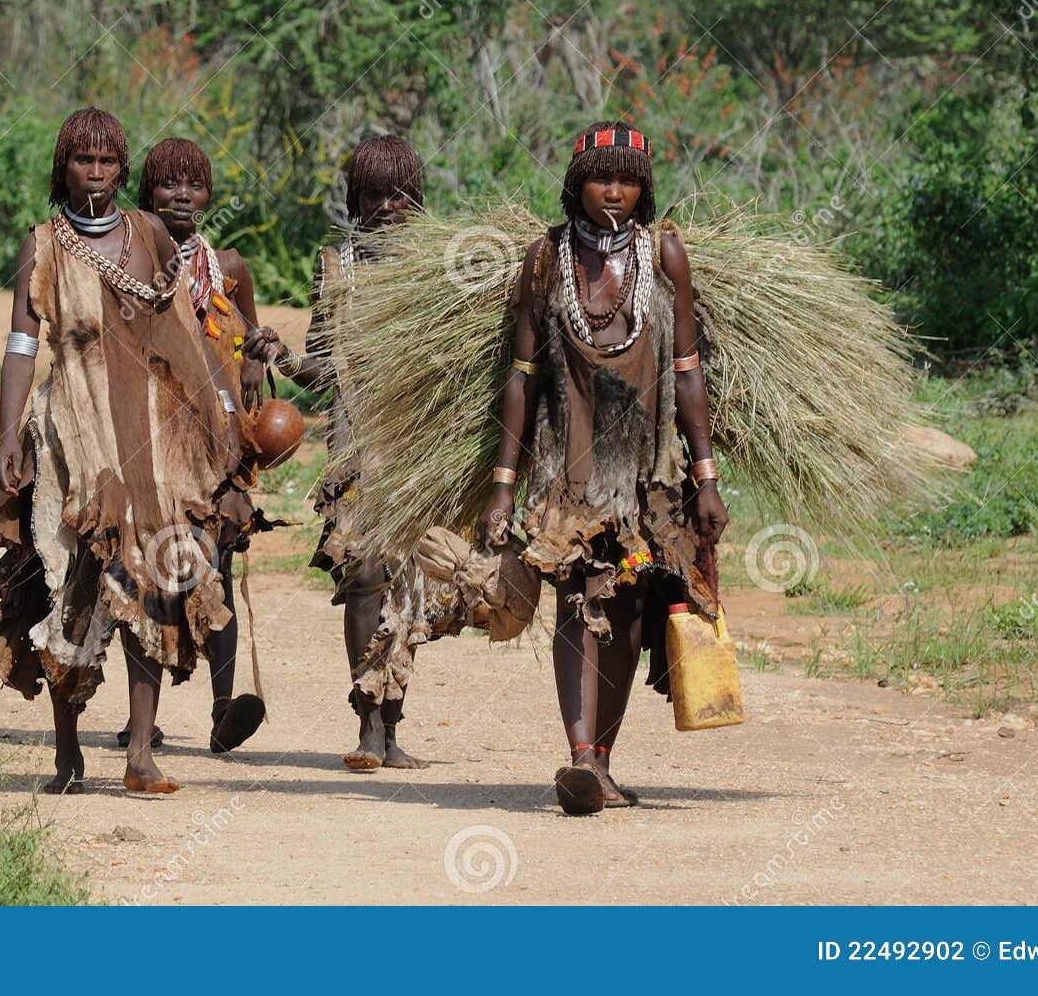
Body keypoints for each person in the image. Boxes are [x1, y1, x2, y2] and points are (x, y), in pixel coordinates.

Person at [0, 108, 239, 794]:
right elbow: (22, 346)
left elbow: (181, 332)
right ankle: (67, 754)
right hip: (72, 427)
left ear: (124, 170)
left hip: (147, 432)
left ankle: (140, 754)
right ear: (61, 167)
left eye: (106, 162)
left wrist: (216, 421)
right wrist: (8, 436)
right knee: (73, 582)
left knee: (147, 579)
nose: (95, 172)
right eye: (81, 160)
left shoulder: (149, 234)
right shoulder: (43, 246)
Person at [474, 121, 728, 815]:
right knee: (576, 604)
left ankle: (604, 762)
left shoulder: (665, 255)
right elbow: (521, 377)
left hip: (649, 471)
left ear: (644, 188)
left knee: (631, 609)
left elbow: (688, 370)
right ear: (574, 184)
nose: (613, 190)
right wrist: (502, 485)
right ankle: (580, 756)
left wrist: (705, 477)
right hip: (570, 467)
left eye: (627, 178)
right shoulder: (544, 259)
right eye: (599, 176)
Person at [243, 134, 431, 770]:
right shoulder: (336, 265)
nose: (384, 208)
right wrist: (281, 358)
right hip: (356, 445)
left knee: (410, 587)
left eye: (397, 195)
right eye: (372, 195)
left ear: (416, 200)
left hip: (418, 446)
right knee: (363, 576)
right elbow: (324, 369)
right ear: (356, 199)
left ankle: (395, 722)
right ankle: (367, 725)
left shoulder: (438, 269)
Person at [132, 136, 269, 753]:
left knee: (219, 562)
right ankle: (144, 720)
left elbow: (246, 338)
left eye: (195, 184)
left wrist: (253, 358)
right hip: (153, 441)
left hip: (219, 442)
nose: (183, 195)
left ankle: (222, 709)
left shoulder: (229, 266)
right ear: (147, 192)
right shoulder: (129, 259)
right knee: (151, 573)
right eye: (168, 184)